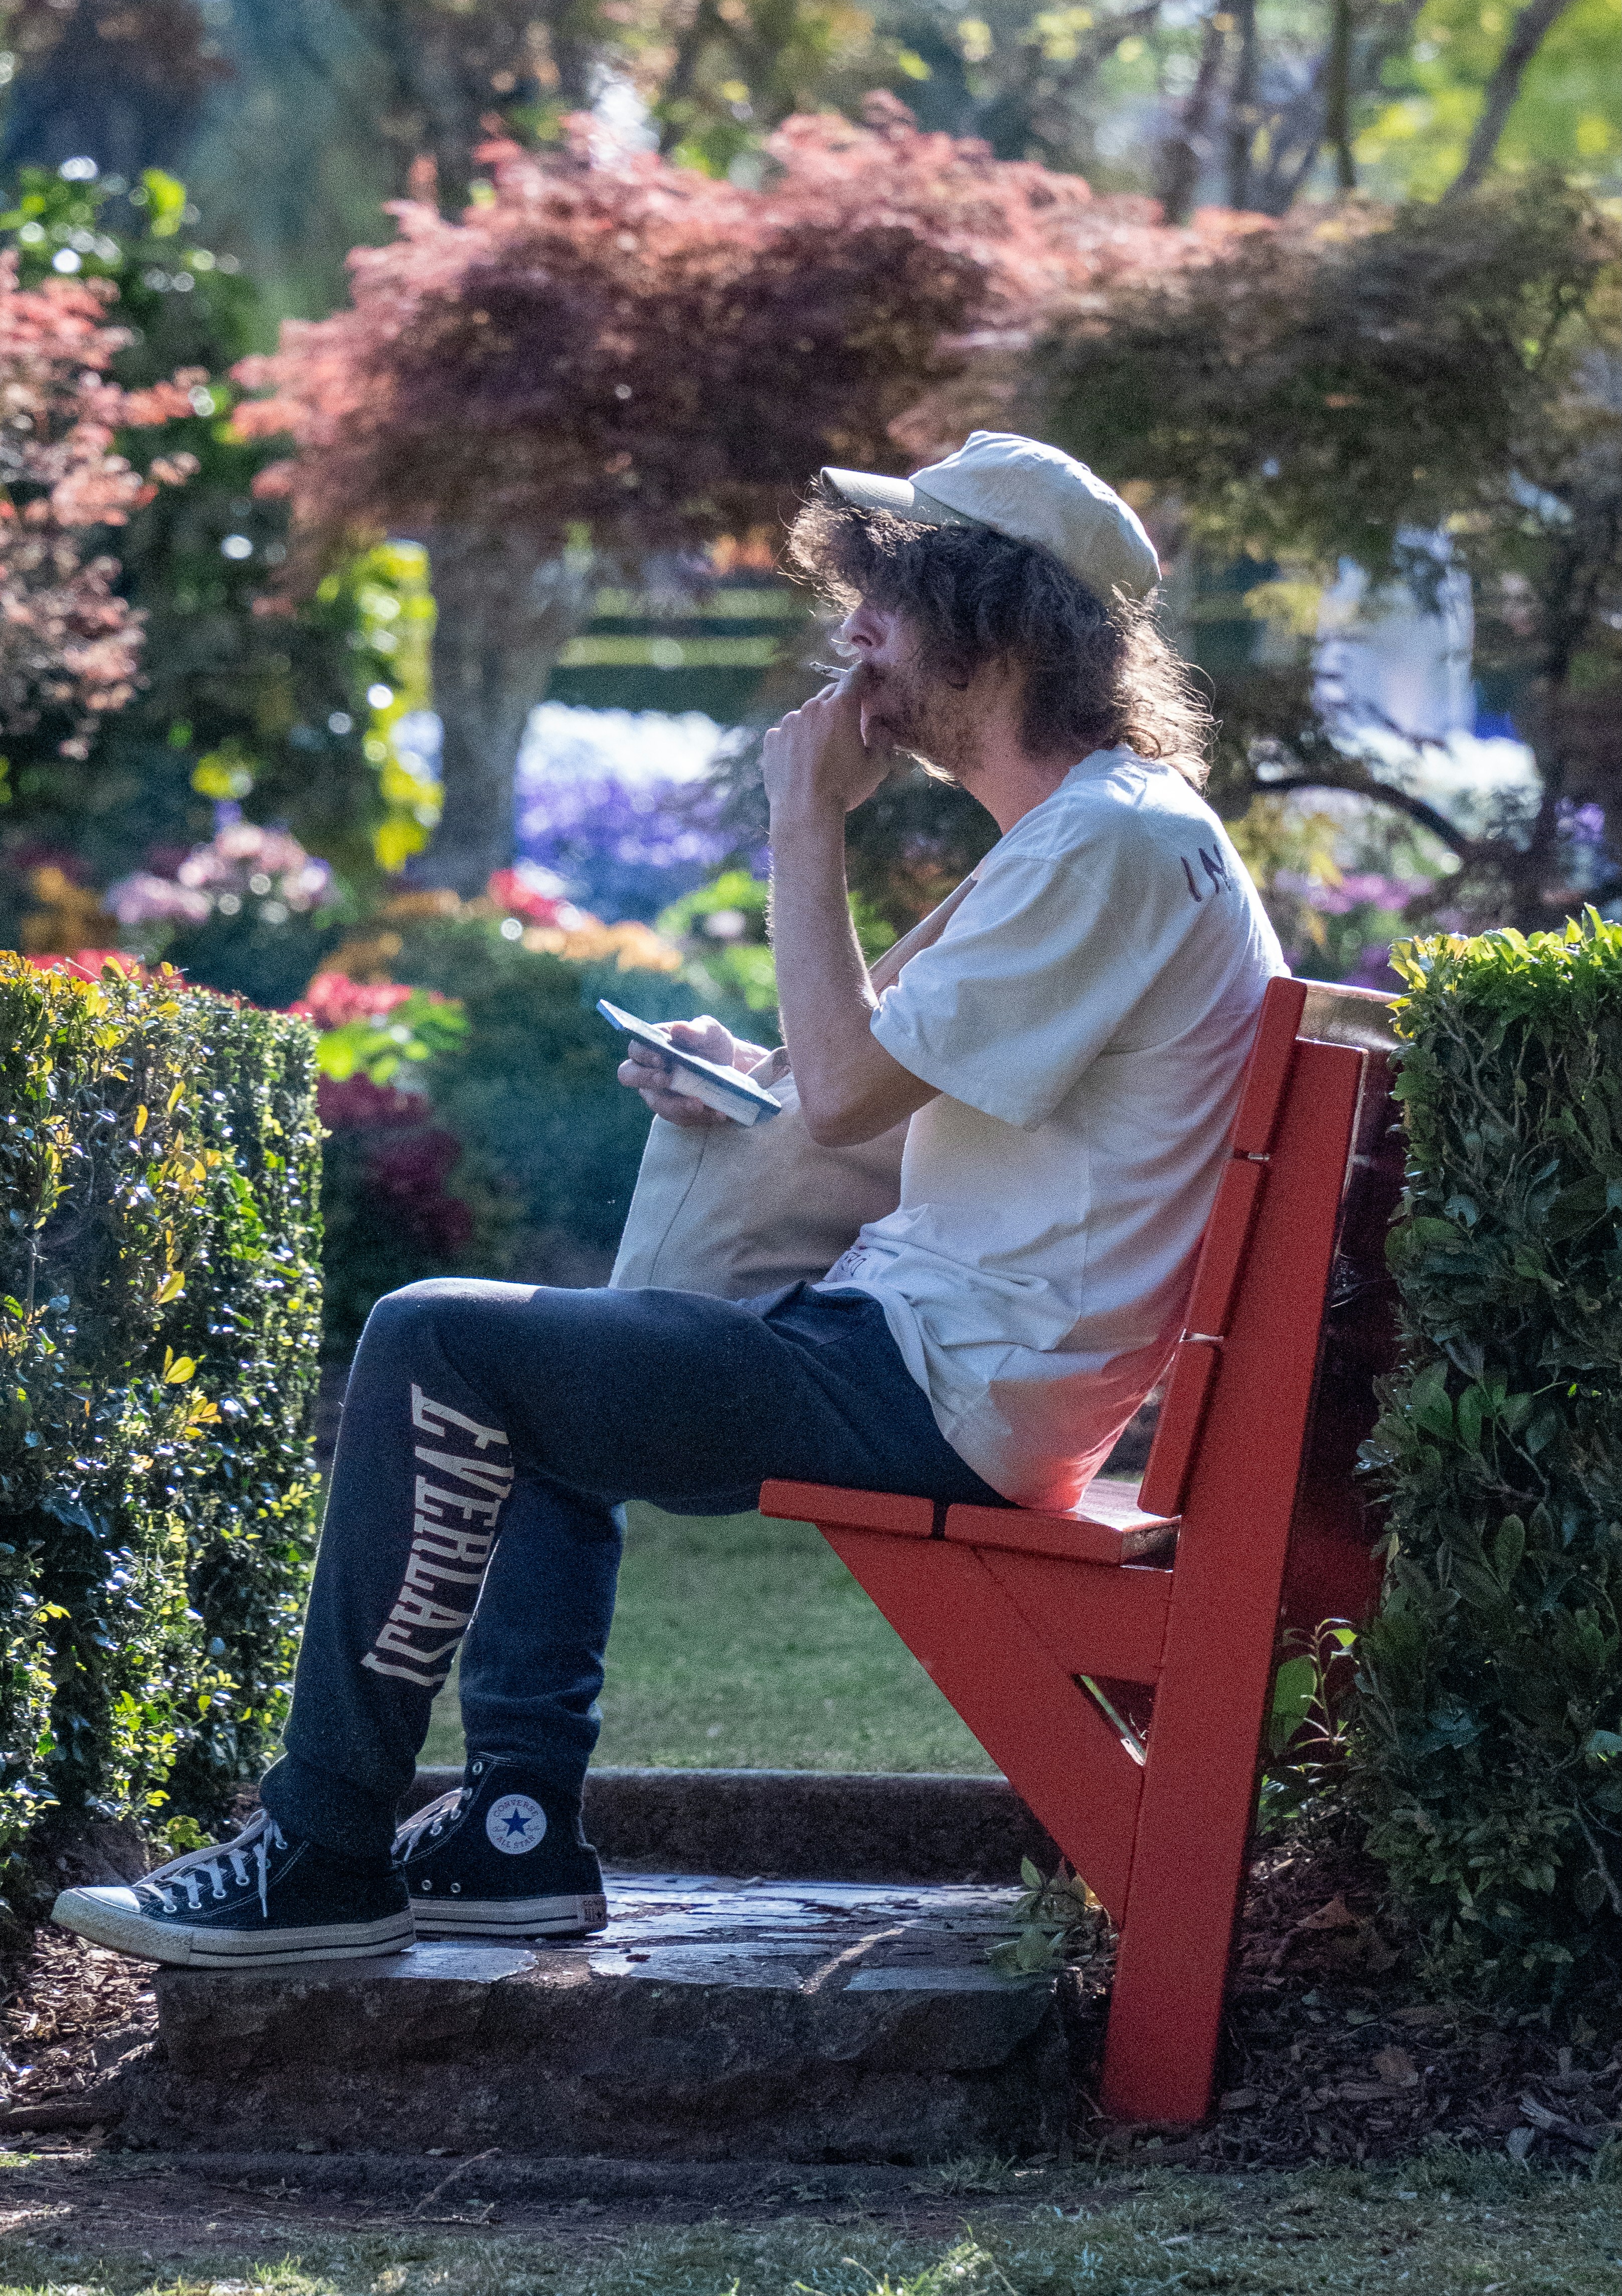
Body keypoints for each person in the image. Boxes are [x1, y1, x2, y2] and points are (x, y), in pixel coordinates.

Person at [54, 432, 1286, 1969]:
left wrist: (803, 819)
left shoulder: (1108, 841)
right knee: (551, 1373)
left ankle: (317, 1849)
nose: (851, 637)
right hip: (945, 1362)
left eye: (885, 604)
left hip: (944, 1387)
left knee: (440, 1341)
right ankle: (512, 1838)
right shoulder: (1101, 833)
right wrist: (746, 1076)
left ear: (999, 623)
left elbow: (846, 1100)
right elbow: (880, 1098)